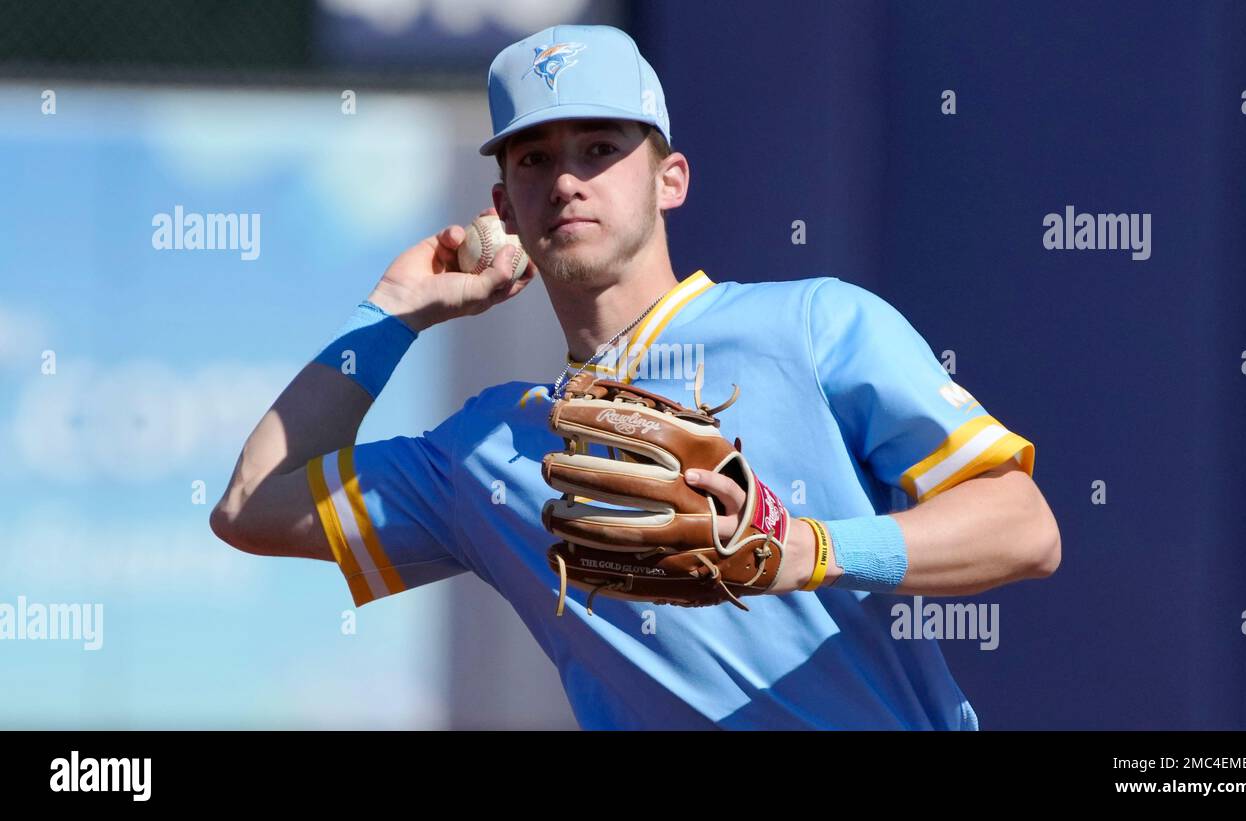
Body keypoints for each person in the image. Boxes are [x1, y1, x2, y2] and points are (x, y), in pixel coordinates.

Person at [210, 23, 1061, 730]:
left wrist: (808, 548)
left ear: (670, 180)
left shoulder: (813, 323)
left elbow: (1025, 528)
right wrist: (396, 310)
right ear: (503, 206)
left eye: (599, 146)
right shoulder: (485, 452)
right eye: (534, 159)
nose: (568, 179)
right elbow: (253, 504)